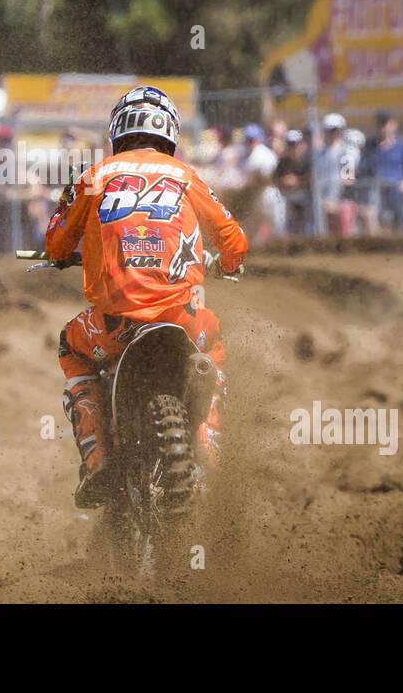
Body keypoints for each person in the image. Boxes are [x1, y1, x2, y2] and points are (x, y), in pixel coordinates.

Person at [43, 85, 247, 508]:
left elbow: (57, 242)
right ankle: (207, 438)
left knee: (71, 345)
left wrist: (62, 255)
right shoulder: (187, 177)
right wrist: (226, 264)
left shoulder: (95, 176)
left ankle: (97, 456)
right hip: (183, 319)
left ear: (118, 130)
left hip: (116, 324)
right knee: (214, 344)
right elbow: (234, 241)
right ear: (170, 133)